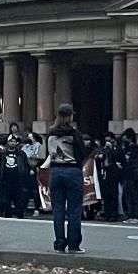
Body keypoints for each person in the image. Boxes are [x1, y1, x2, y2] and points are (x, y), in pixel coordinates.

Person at [44, 103, 94, 253]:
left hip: (56, 171)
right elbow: (82, 154)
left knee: (58, 210)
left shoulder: (51, 133)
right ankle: (74, 244)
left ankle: (59, 243)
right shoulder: (74, 133)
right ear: (69, 116)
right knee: (74, 210)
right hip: (72, 171)